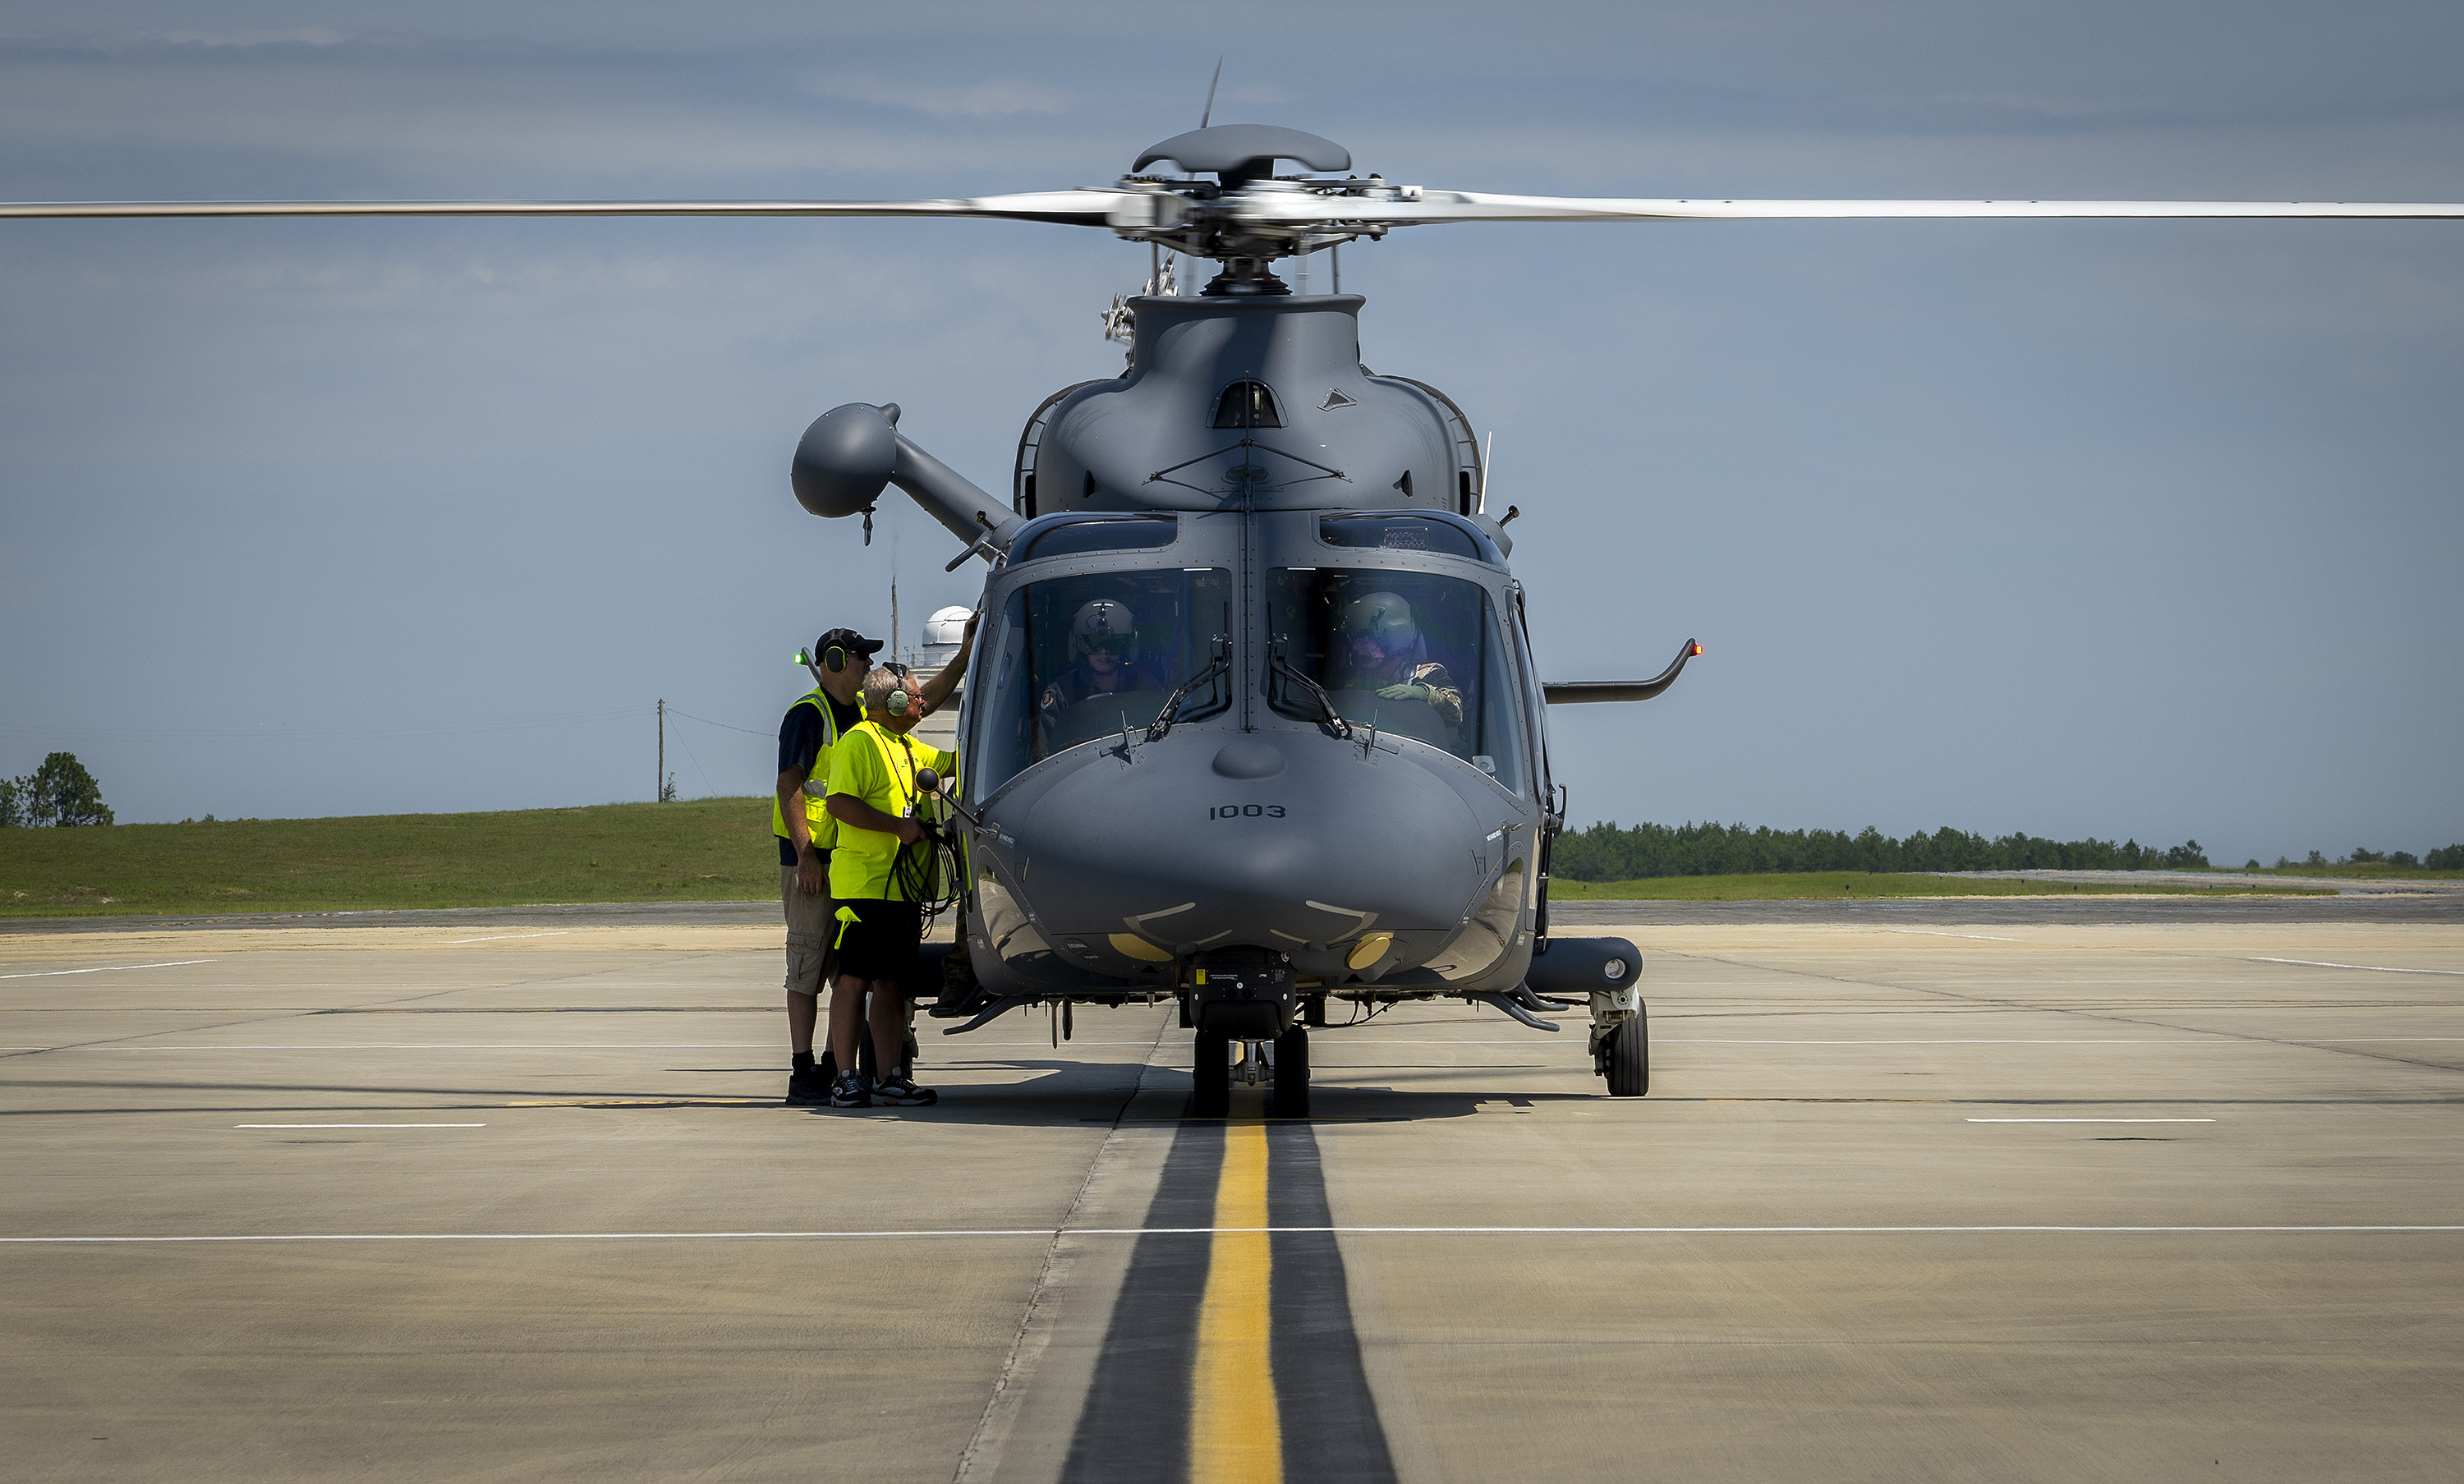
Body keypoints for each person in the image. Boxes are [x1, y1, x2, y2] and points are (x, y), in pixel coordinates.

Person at [777, 619, 974, 1106]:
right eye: (860, 656)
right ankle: (815, 1071)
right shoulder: (825, 720)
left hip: (893, 885)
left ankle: (874, 1072)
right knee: (822, 970)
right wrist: (806, 855)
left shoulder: (890, 733)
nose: (866, 662)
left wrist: (967, 654)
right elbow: (798, 789)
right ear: (838, 663)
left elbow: (927, 708)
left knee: (882, 980)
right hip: (833, 867)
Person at [823, 665, 958, 1108]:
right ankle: (845, 1076)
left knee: (892, 984)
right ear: (895, 703)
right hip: (864, 885)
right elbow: (839, 802)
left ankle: (889, 1077)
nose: (922, 704)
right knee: (855, 980)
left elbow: (955, 762)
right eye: (916, 697)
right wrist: (896, 827)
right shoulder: (859, 742)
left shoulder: (906, 745)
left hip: (900, 889)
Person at [1037, 597, 1167, 743]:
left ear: (1127, 646)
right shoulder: (1063, 692)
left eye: (1113, 644)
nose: (1104, 652)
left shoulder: (1145, 685)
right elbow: (1047, 751)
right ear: (1078, 645)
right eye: (1094, 644)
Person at [1333, 590, 1464, 728]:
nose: (1355, 646)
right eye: (1354, 640)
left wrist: (1425, 694)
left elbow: (1457, 714)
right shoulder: (1361, 678)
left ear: (1393, 639)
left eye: (1364, 640)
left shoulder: (1429, 674)